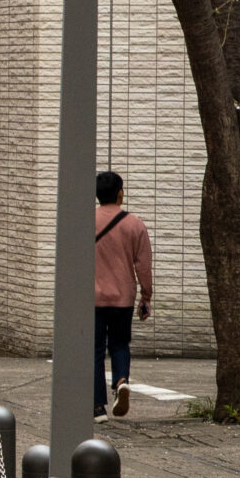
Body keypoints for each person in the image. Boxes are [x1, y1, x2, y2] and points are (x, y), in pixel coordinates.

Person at [95, 171, 154, 418]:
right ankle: (121, 382)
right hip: (123, 298)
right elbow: (143, 265)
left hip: (93, 299)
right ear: (120, 193)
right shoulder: (134, 224)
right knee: (119, 344)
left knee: (95, 351)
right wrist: (146, 296)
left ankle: (97, 407)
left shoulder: (84, 220)